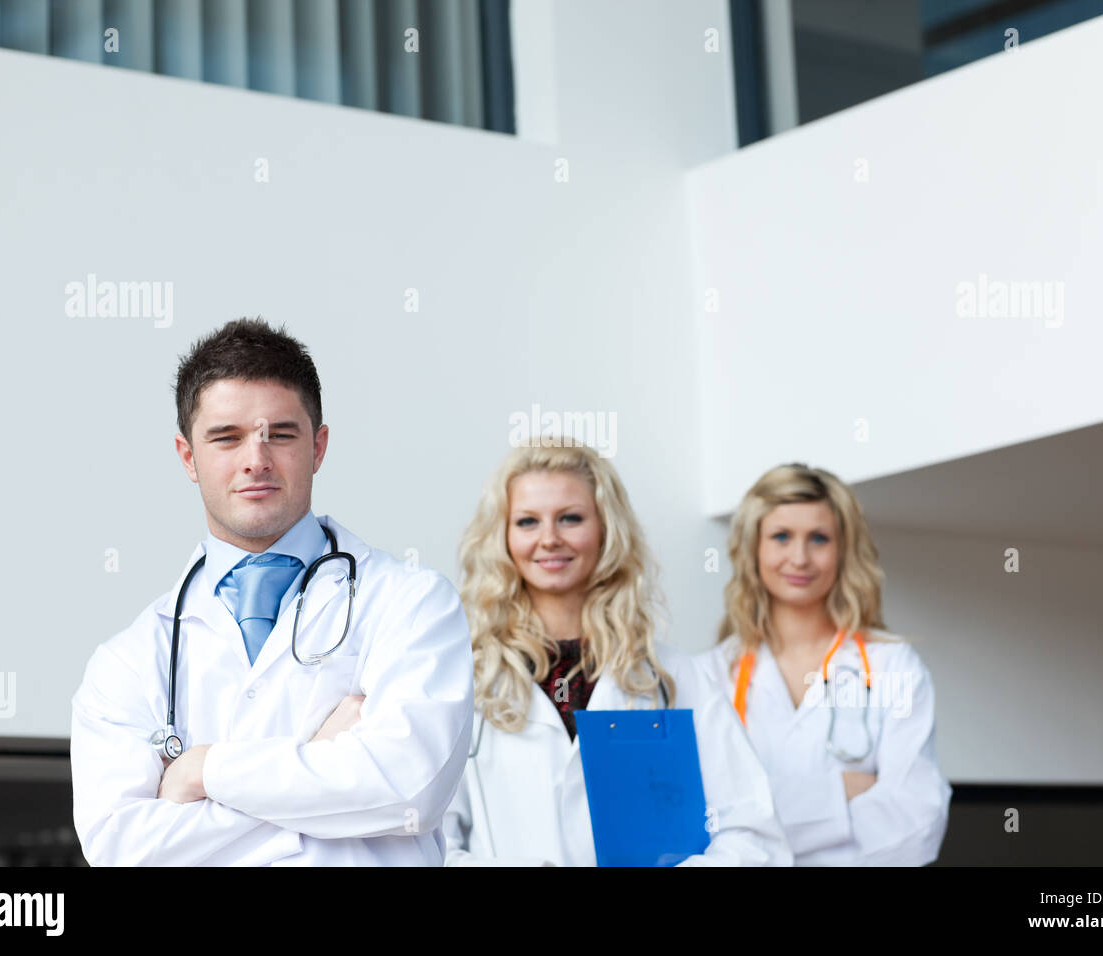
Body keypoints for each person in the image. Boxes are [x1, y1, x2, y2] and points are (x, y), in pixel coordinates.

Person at [70, 318, 473, 866]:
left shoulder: (412, 604)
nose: (256, 459)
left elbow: (407, 790)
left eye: (280, 434)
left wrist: (202, 772)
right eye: (226, 437)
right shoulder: (127, 662)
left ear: (319, 446)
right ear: (188, 456)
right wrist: (321, 760)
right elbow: (125, 852)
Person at [442, 442, 790, 866]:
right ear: (503, 537)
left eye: (571, 518)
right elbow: (431, 842)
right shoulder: (467, 679)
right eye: (528, 521)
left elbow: (751, 834)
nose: (549, 539)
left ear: (606, 529)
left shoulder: (673, 676)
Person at [695, 463, 951, 866]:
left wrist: (760, 817)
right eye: (781, 537)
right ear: (753, 549)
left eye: (818, 538)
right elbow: (701, 823)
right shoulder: (709, 675)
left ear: (843, 550)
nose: (799, 558)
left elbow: (918, 826)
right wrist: (844, 792)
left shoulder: (892, 665)